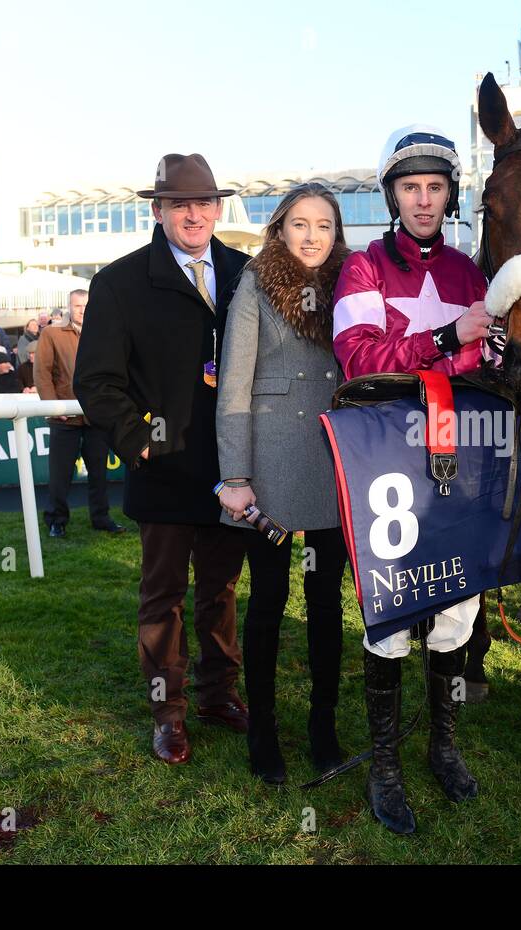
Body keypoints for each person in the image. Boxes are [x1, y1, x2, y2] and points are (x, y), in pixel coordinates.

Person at [331, 125, 491, 835]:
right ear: (392, 194)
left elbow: (488, 370)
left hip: (457, 460)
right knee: (392, 618)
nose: (423, 200)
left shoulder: (470, 273)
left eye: (434, 187)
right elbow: (360, 362)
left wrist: (438, 361)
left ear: (449, 193)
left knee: (458, 611)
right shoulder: (362, 267)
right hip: (384, 465)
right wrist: (447, 344)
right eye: (410, 187)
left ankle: (444, 744)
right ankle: (386, 764)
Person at [74, 153, 251, 766]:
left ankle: (218, 695)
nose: (194, 214)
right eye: (180, 204)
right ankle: (167, 714)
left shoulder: (245, 272)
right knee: (162, 598)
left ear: (218, 208)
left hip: (232, 467)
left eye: (203, 203)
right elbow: (95, 381)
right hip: (164, 468)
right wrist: (140, 438)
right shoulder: (119, 282)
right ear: (158, 210)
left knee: (222, 592)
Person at [217, 183, 352, 785]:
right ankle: (264, 731)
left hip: (333, 460)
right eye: (300, 223)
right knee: (269, 601)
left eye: (323, 225)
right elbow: (233, 388)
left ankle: (324, 727)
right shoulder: (255, 284)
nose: (312, 236)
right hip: (269, 465)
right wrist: (235, 477)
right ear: (279, 229)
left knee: (326, 603)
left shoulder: (353, 280)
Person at [38, 289, 122, 538]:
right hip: (64, 415)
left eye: (86, 305)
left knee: (99, 472)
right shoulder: (52, 333)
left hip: (96, 416)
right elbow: (42, 373)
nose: (82, 310)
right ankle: (56, 520)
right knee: (60, 475)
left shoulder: (102, 333)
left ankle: (101, 517)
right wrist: (53, 406)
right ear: (68, 307)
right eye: (77, 306)